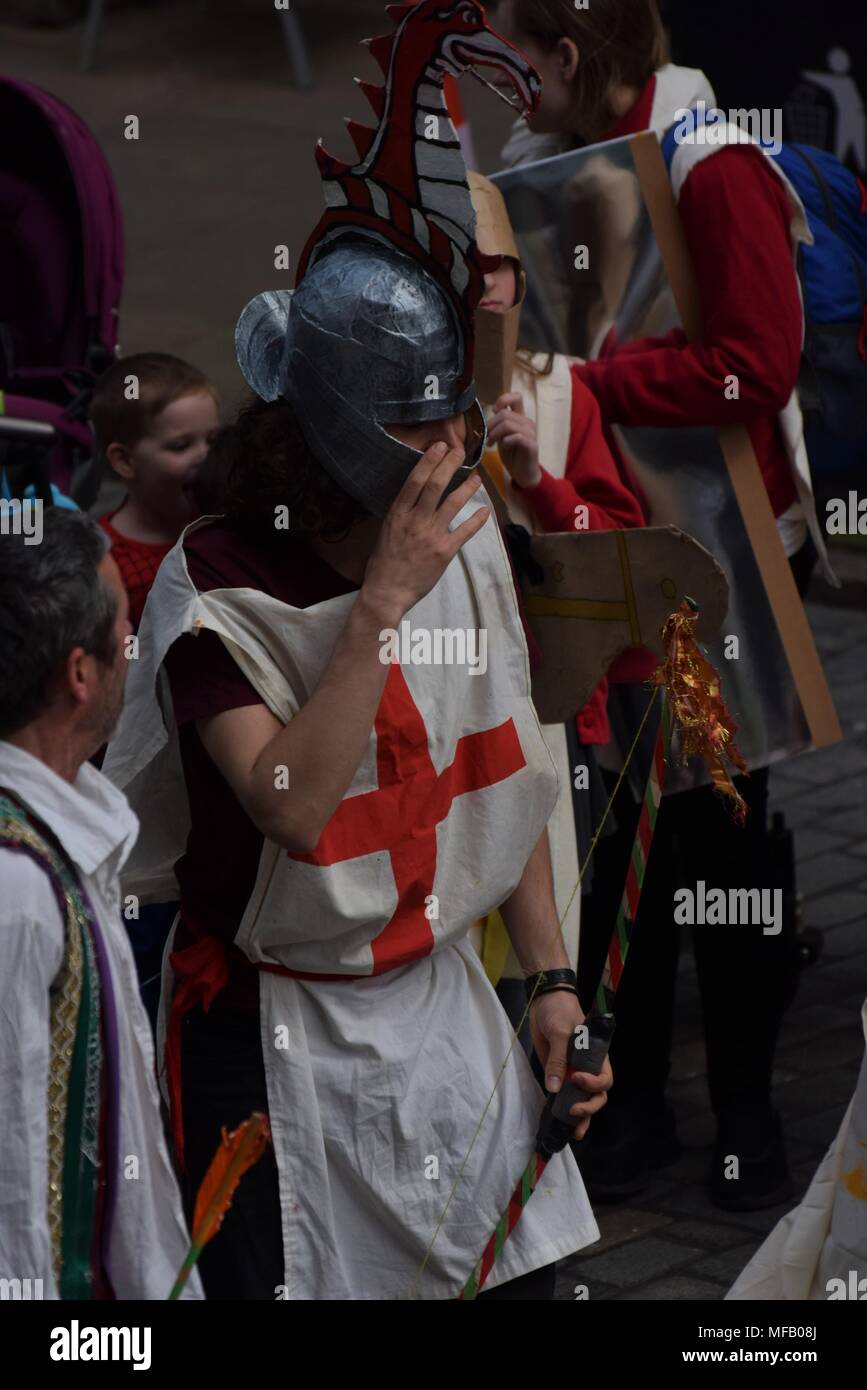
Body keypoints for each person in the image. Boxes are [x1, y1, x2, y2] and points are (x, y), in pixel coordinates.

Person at [493, 0, 830, 1208]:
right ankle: (629, 1109)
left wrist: (585, 385)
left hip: (712, 562)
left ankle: (745, 1112)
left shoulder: (712, 163)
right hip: (593, 547)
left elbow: (754, 362)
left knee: (721, 847)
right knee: (608, 839)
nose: (504, 87)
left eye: (517, 62)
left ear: (573, 59)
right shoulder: (546, 160)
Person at [0, 508, 201, 1300]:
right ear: (79, 674)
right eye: (126, 626)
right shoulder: (16, 888)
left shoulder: (60, 830)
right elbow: (15, 1193)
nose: (135, 645)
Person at [467, 170, 651, 1022]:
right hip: (430, 709)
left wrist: (538, 481)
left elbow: (615, 547)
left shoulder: (560, 388)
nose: (476, 286)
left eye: (491, 267)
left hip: (544, 711)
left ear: (518, 279)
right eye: (452, 265)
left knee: (549, 928)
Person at [92, 352, 220, 630]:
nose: (205, 455)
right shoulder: (108, 563)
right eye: (181, 445)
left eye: (213, 440)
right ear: (125, 460)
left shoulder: (221, 518)